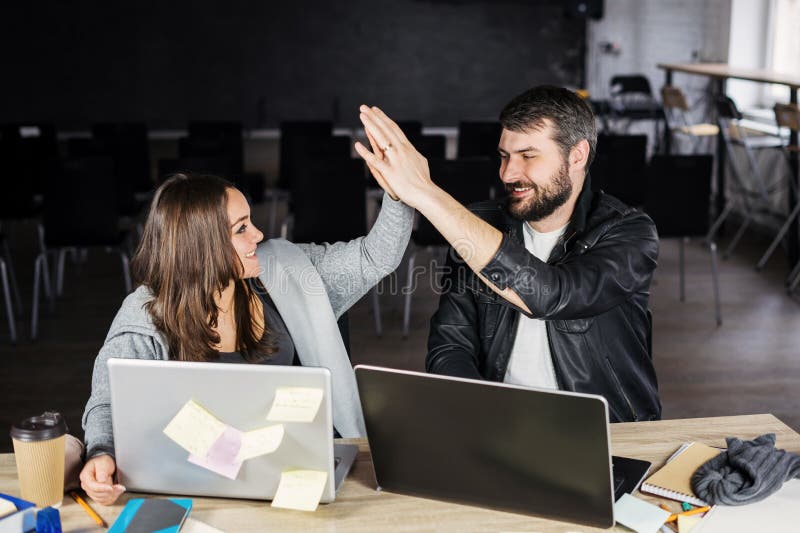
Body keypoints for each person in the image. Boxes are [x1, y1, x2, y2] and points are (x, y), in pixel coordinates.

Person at [80, 168, 412, 505]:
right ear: (201, 246)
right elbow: (109, 400)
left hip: (297, 470)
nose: (258, 234)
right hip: (195, 481)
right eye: (241, 228)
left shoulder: (286, 270)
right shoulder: (145, 313)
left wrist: (397, 192)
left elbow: (375, 257)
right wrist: (100, 454)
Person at [353, 85, 660, 424]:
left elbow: (554, 295)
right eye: (504, 156)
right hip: (500, 424)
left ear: (577, 155)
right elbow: (450, 346)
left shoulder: (630, 232)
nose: (508, 173)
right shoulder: (478, 225)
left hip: (605, 431)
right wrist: (483, 416)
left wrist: (426, 193)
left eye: (528, 156)